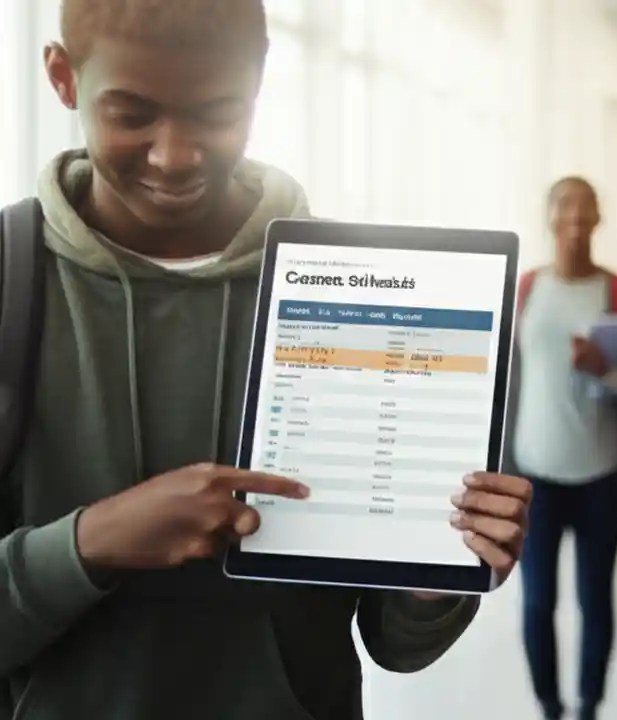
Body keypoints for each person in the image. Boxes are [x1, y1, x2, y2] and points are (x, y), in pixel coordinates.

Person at [0, 2, 533, 718]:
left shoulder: (367, 288)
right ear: (63, 79)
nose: (175, 153)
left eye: (216, 113)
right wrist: (91, 543)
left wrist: (437, 567)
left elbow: (398, 644)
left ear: (259, 84)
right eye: (132, 115)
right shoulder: (10, 283)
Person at [505, 177, 617, 720]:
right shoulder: (525, 289)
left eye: (587, 208)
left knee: (595, 600)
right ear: (549, 216)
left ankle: (588, 705)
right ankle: (549, 704)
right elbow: (505, 377)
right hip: (533, 472)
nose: (576, 219)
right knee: (537, 601)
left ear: (599, 217)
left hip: (602, 474)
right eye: (566, 207)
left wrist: (605, 368)